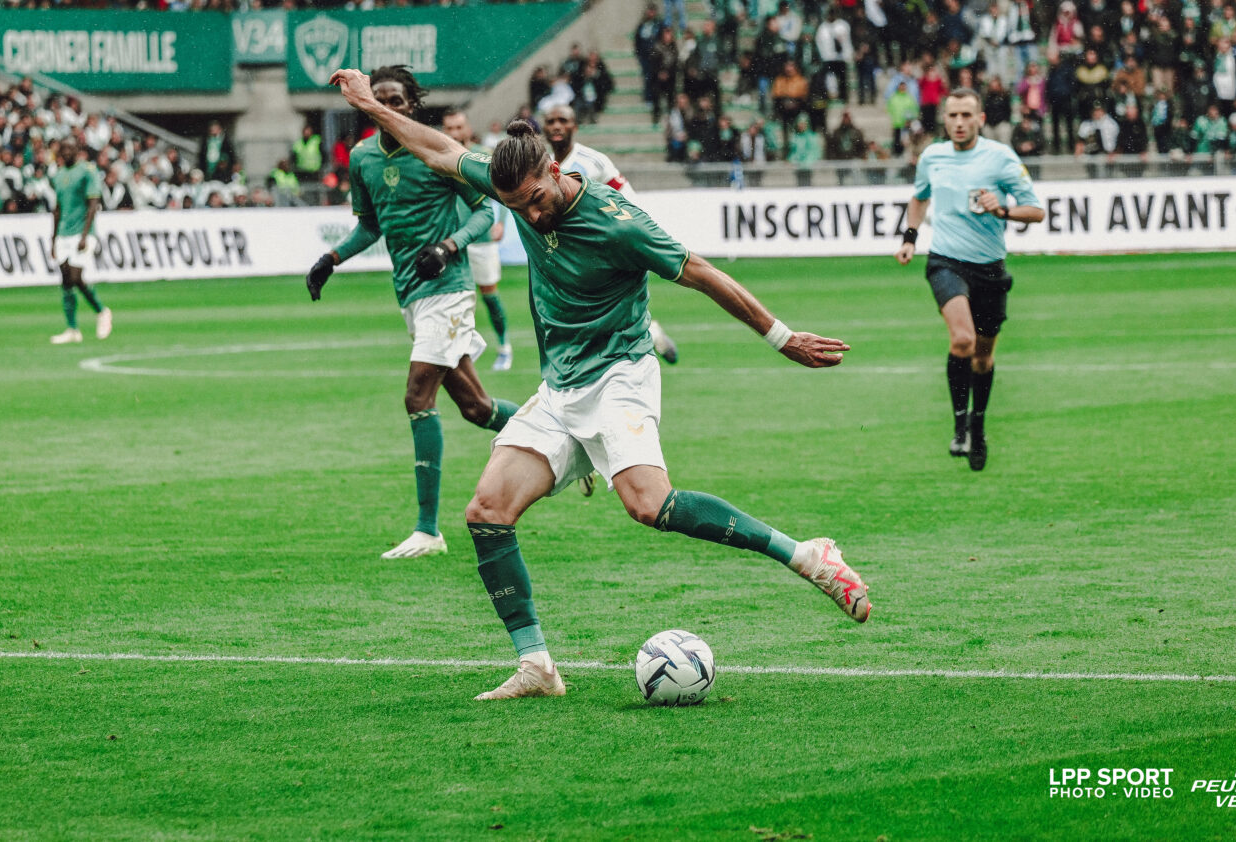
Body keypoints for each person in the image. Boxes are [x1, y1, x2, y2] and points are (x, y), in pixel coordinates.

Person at [330, 66, 872, 700]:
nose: (531, 212)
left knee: (650, 506)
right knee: (486, 512)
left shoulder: (618, 222)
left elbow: (700, 272)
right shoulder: (512, 185)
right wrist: (369, 106)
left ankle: (807, 555)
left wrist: (783, 338)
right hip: (560, 387)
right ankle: (537, 666)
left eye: (535, 197)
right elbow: (438, 148)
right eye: (517, 206)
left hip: (619, 376)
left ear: (556, 171)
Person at [304, 66, 517, 560]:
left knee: (417, 394)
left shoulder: (435, 148)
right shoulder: (362, 158)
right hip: (412, 295)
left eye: (396, 100)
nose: (388, 107)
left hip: (449, 287)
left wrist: (449, 245)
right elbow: (369, 225)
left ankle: (428, 530)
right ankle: (565, 435)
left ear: (411, 105)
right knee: (476, 408)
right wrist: (331, 259)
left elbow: (486, 211)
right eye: (378, 99)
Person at [894, 89, 1044, 471]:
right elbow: (919, 198)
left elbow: (1036, 211)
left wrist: (1004, 209)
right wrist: (909, 239)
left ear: (980, 119)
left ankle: (978, 425)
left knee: (984, 357)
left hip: (990, 269)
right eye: (952, 115)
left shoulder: (1000, 158)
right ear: (944, 119)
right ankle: (960, 423)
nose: (959, 122)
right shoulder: (933, 156)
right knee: (963, 339)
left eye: (966, 115)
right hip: (946, 261)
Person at [543, 103, 681, 364]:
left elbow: (629, 199)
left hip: (597, 250)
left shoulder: (593, 161)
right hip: (563, 252)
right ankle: (648, 332)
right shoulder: (542, 163)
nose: (557, 125)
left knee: (592, 312)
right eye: (551, 121)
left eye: (563, 120)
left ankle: (633, 343)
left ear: (575, 126)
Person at [442, 109, 515, 371]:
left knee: (489, 295)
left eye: (458, 127)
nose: (454, 133)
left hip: (481, 237)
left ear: (468, 128)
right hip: (451, 238)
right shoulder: (439, 156)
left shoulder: (483, 155)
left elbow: (505, 188)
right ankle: (463, 349)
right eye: (449, 128)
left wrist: (501, 221)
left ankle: (505, 346)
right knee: (456, 297)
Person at [48, 138, 112, 345]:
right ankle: (72, 329)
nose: (65, 153)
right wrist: (53, 238)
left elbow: (93, 203)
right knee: (66, 280)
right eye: (62, 149)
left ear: (77, 151)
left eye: (69, 149)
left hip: (81, 233)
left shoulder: (87, 171)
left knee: (76, 276)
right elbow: (57, 208)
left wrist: (85, 235)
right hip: (63, 234)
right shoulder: (58, 175)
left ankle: (102, 311)